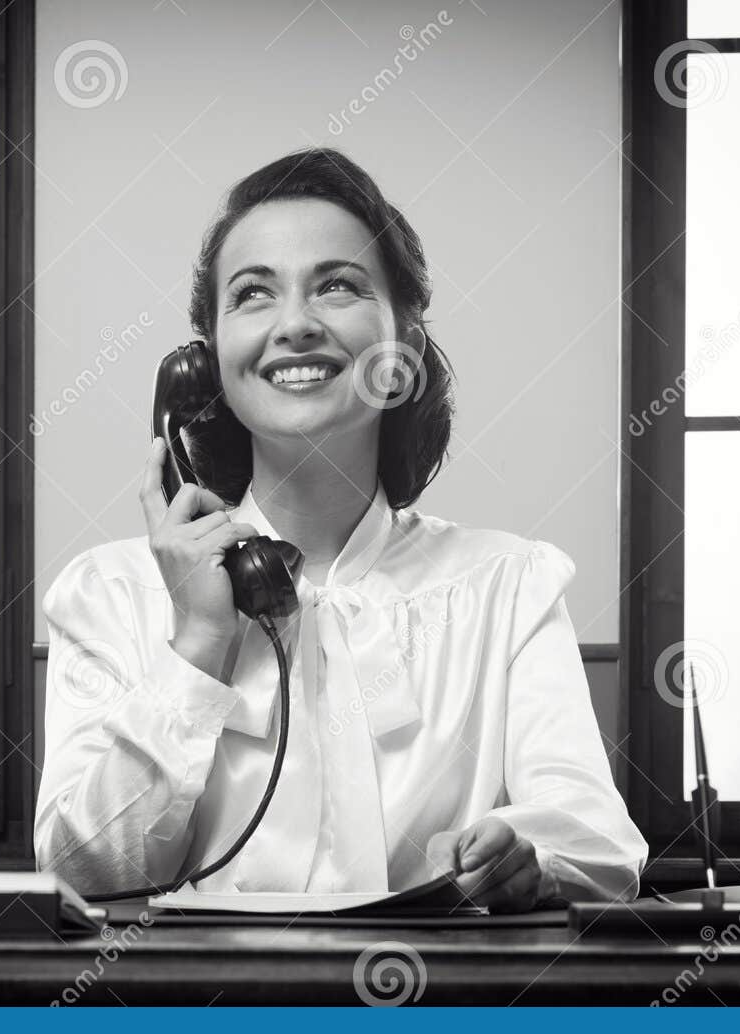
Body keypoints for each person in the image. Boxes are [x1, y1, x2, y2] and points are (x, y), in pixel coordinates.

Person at [34, 148, 646, 910]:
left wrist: (530, 860)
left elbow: (601, 846)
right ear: (206, 363)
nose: (295, 324)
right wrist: (197, 645)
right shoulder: (109, 592)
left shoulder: (508, 585)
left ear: (402, 355)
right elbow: (80, 871)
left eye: (337, 285)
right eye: (253, 294)